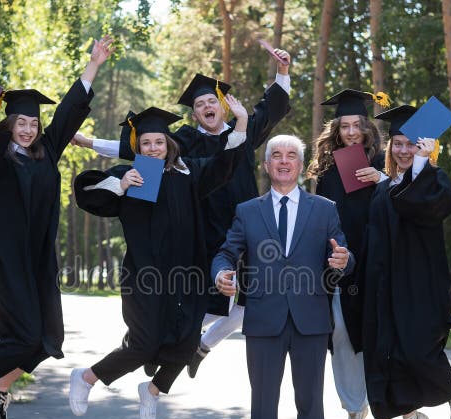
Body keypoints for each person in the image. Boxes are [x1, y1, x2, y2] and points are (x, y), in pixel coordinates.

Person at [73, 51, 291, 379]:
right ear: (195, 112)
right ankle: (154, 342)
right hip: (202, 232)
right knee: (196, 300)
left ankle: (198, 347)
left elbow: (270, 107)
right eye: (199, 103)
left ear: (222, 105)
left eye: (211, 101)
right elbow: (142, 145)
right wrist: (90, 143)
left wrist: (283, 70)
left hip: (246, 230)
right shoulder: (184, 141)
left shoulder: (241, 132)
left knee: (251, 302)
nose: (206, 107)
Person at [0, 36, 114, 419]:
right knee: (22, 336)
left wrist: (93, 65)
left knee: (49, 338)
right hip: (7, 255)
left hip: (39, 257)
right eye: (20, 122)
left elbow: (71, 111)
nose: (27, 128)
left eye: (33, 123)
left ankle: (0, 385)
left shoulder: (47, 152)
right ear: (9, 125)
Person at [69, 101, 248, 419]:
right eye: (146, 143)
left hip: (187, 276)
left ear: (169, 144)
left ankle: (152, 390)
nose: (153, 148)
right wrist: (120, 186)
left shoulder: (188, 173)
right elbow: (87, 192)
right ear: (138, 146)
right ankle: (86, 377)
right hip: (146, 277)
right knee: (144, 344)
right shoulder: (137, 175)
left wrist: (242, 124)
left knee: (187, 341)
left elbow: (224, 164)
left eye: (159, 142)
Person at [213, 134, 353, 419]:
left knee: (309, 402)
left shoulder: (324, 209)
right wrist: (221, 274)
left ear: (300, 164)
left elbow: (342, 252)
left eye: (292, 155)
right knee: (263, 402)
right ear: (266, 165)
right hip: (263, 319)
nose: (284, 161)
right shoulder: (248, 210)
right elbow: (227, 252)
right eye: (276, 155)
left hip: (311, 319)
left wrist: (344, 260)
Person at [362, 105, 451, 419]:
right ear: (389, 148)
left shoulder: (435, 180)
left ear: (423, 147)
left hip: (420, 285)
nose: (404, 151)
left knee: (419, 350)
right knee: (386, 356)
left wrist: (422, 164)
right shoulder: (382, 187)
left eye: (411, 145)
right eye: (398, 145)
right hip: (385, 285)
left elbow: (428, 206)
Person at [306, 89, 387, 419]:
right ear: (336, 129)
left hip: (381, 260)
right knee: (340, 332)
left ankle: (383, 407)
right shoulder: (325, 168)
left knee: (377, 334)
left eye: (357, 125)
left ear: (367, 126)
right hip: (340, 261)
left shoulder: (386, 160)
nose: (352, 132)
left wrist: (381, 180)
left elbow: (412, 196)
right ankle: (355, 407)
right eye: (345, 126)